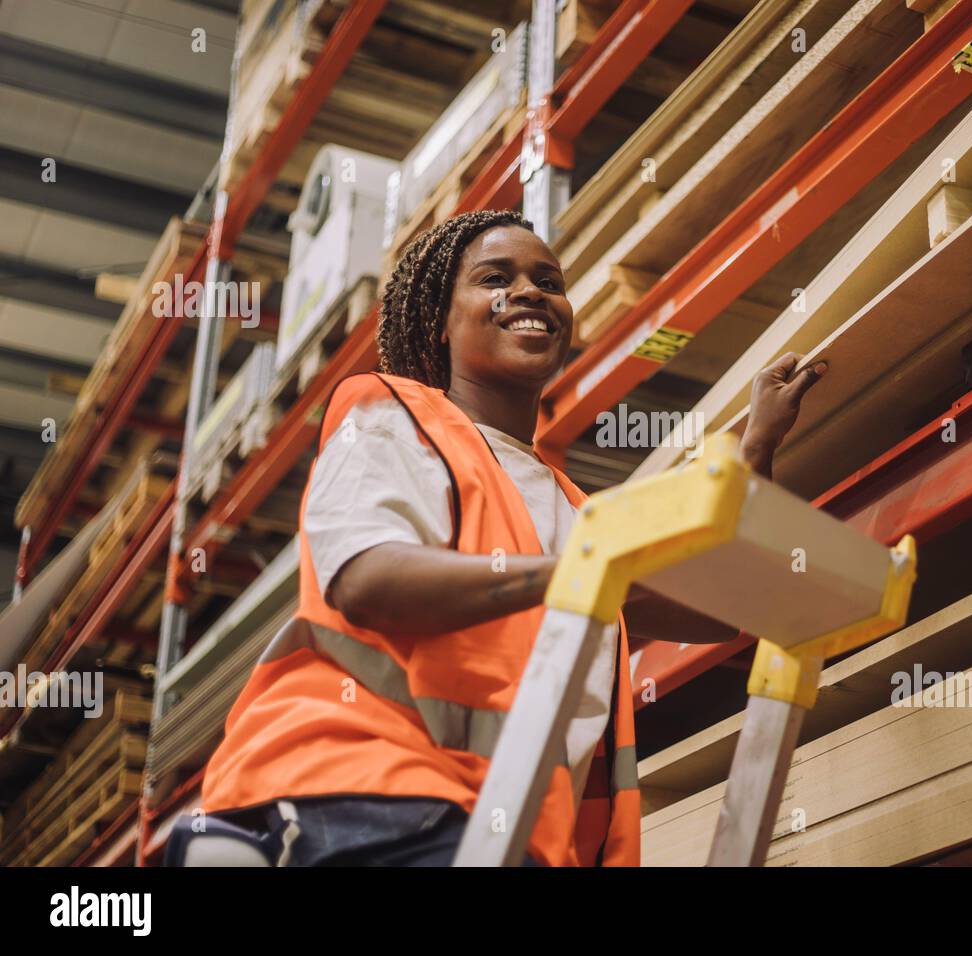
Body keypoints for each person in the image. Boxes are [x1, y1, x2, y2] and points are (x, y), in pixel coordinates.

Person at [180, 209, 827, 867]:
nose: (530, 292)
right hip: (353, 795)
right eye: (496, 277)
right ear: (438, 318)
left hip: (495, 832)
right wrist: (572, 574)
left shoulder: (580, 516)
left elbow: (721, 611)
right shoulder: (390, 416)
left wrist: (756, 450)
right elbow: (366, 581)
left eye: (549, 280)